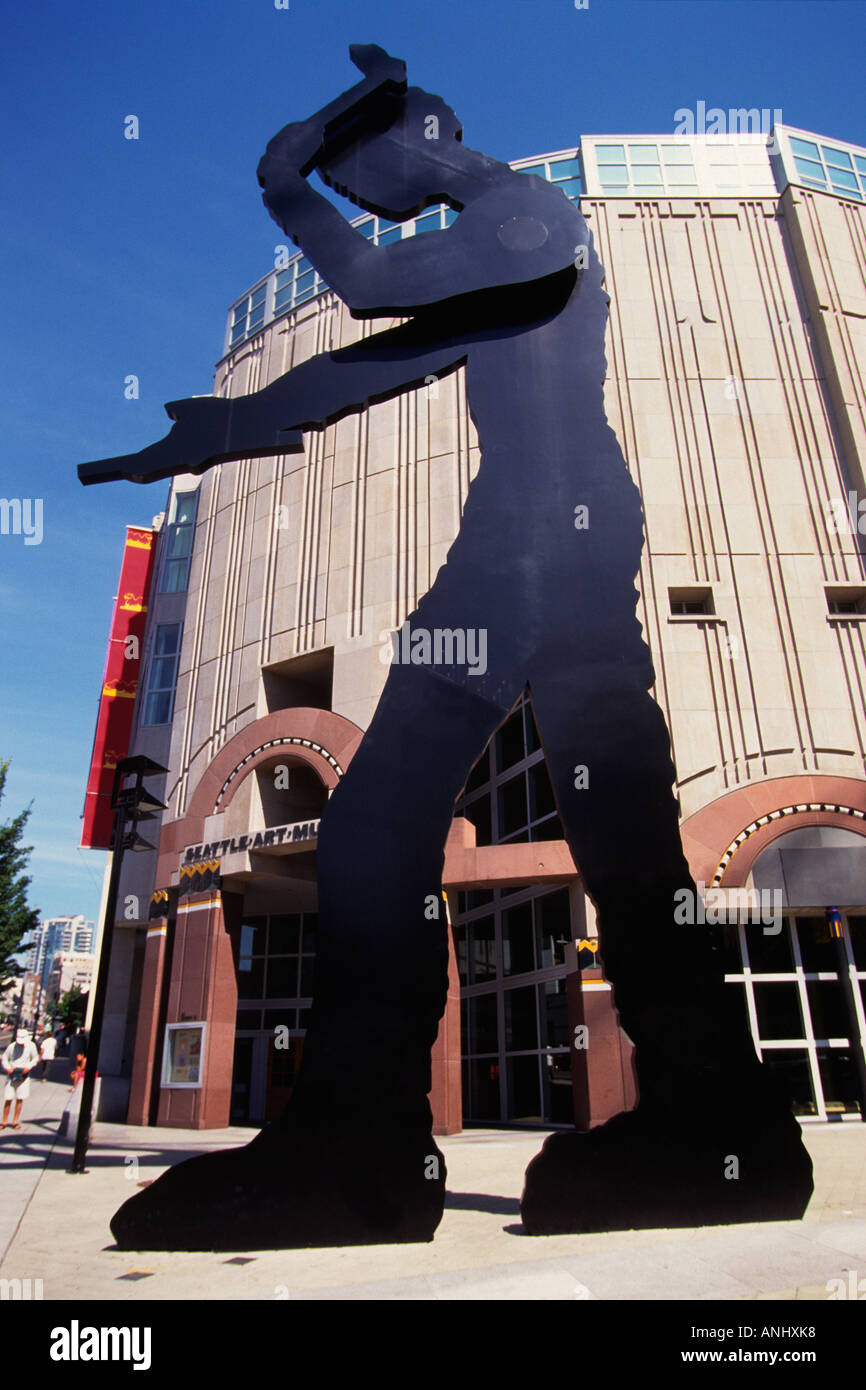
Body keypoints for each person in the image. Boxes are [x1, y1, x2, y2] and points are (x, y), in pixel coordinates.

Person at [82, 45, 812, 1249]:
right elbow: (377, 360)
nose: (367, 189)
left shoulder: (528, 213)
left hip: (554, 533)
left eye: (363, 165)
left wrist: (287, 189)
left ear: (416, 137)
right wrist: (211, 431)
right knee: (514, 823)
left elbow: (368, 287)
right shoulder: (499, 247)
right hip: (519, 533)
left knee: (544, 818)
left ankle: (395, 1141)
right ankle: (640, 1121)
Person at [2, 1029, 40, 1130]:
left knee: (20, 1099)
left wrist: (28, 1067)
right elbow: (5, 1058)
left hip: (24, 1075)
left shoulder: (31, 1046)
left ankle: (15, 1121)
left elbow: (35, 1058)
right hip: (12, 1074)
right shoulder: (12, 1046)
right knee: (8, 1098)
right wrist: (8, 1068)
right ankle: (4, 1121)